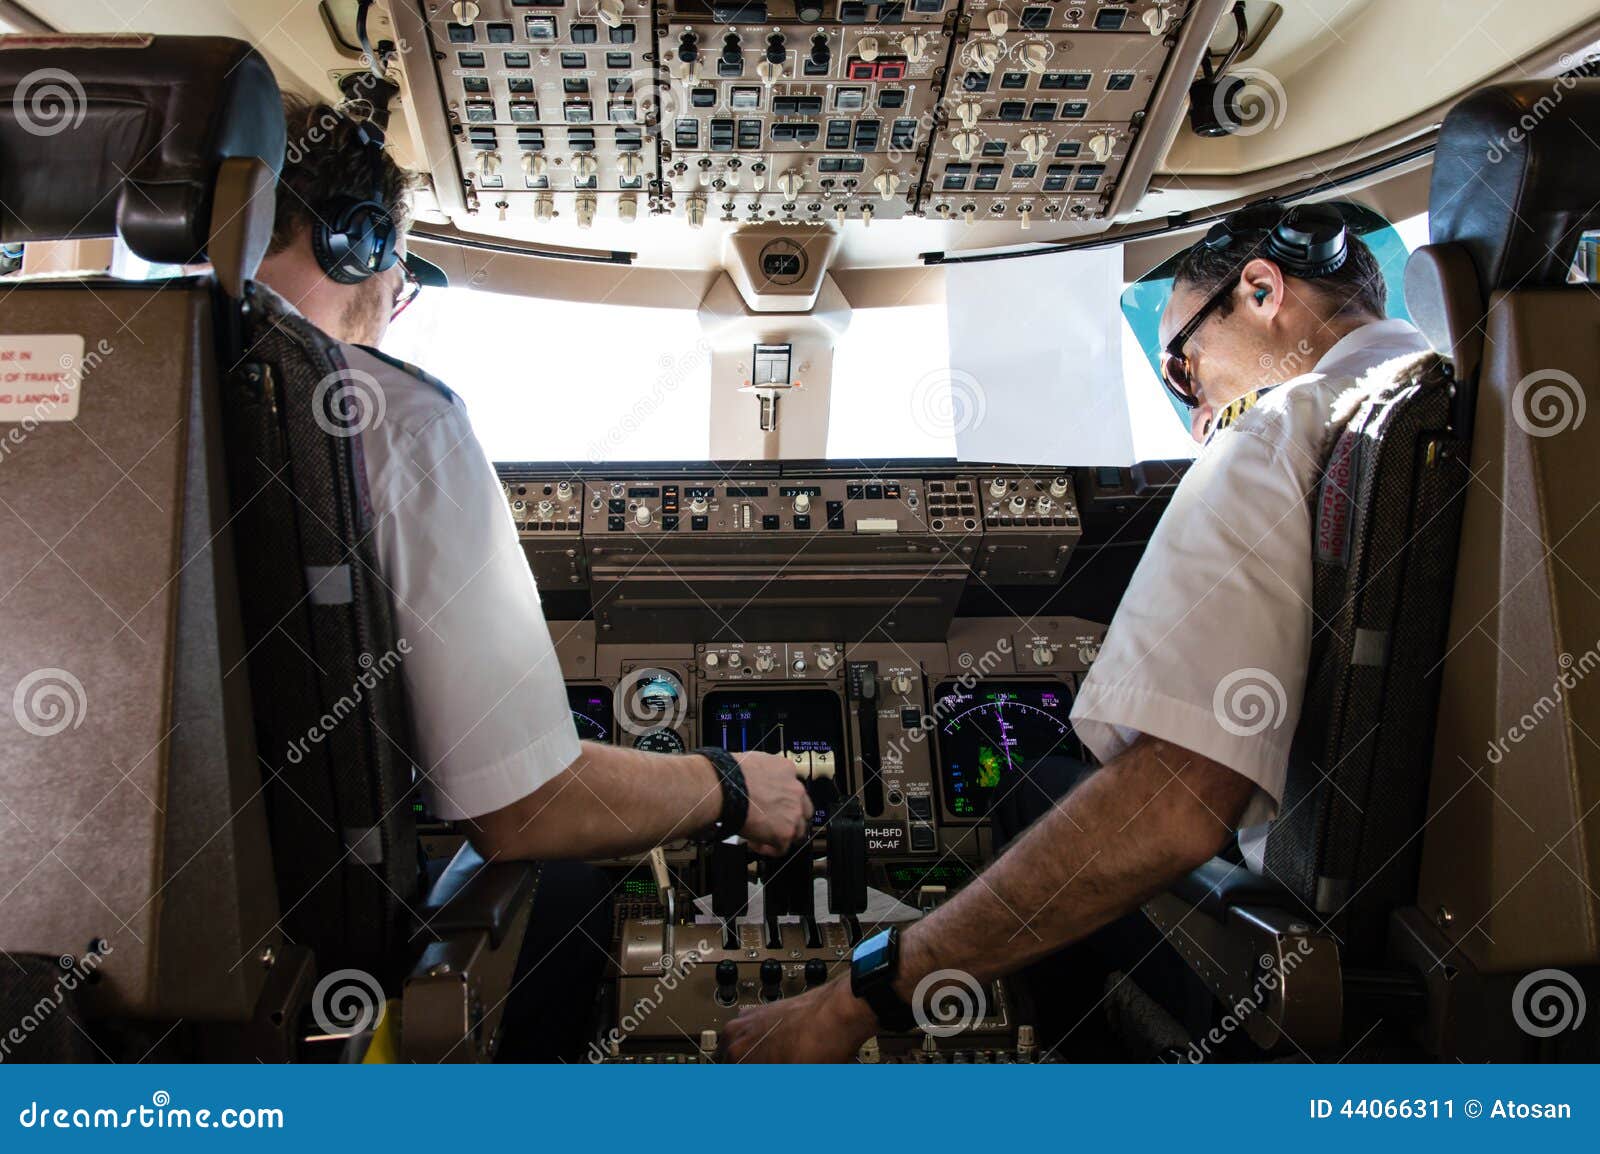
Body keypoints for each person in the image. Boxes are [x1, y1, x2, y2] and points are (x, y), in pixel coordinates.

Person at [721, 203, 1431, 1061]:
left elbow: (1175, 807)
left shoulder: (1276, 432)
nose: (1193, 409)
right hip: (1431, 950)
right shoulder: (1472, 409)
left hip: (1292, 964)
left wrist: (858, 997)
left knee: (1036, 789)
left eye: (1182, 365)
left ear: (1261, 290)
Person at [252, 95, 812, 1057]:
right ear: (359, 242)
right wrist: (730, 782)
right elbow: (525, 809)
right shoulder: (389, 419)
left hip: (83, 1000)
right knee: (564, 881)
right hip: (314, 1004)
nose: (393, 302)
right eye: (399, 274)